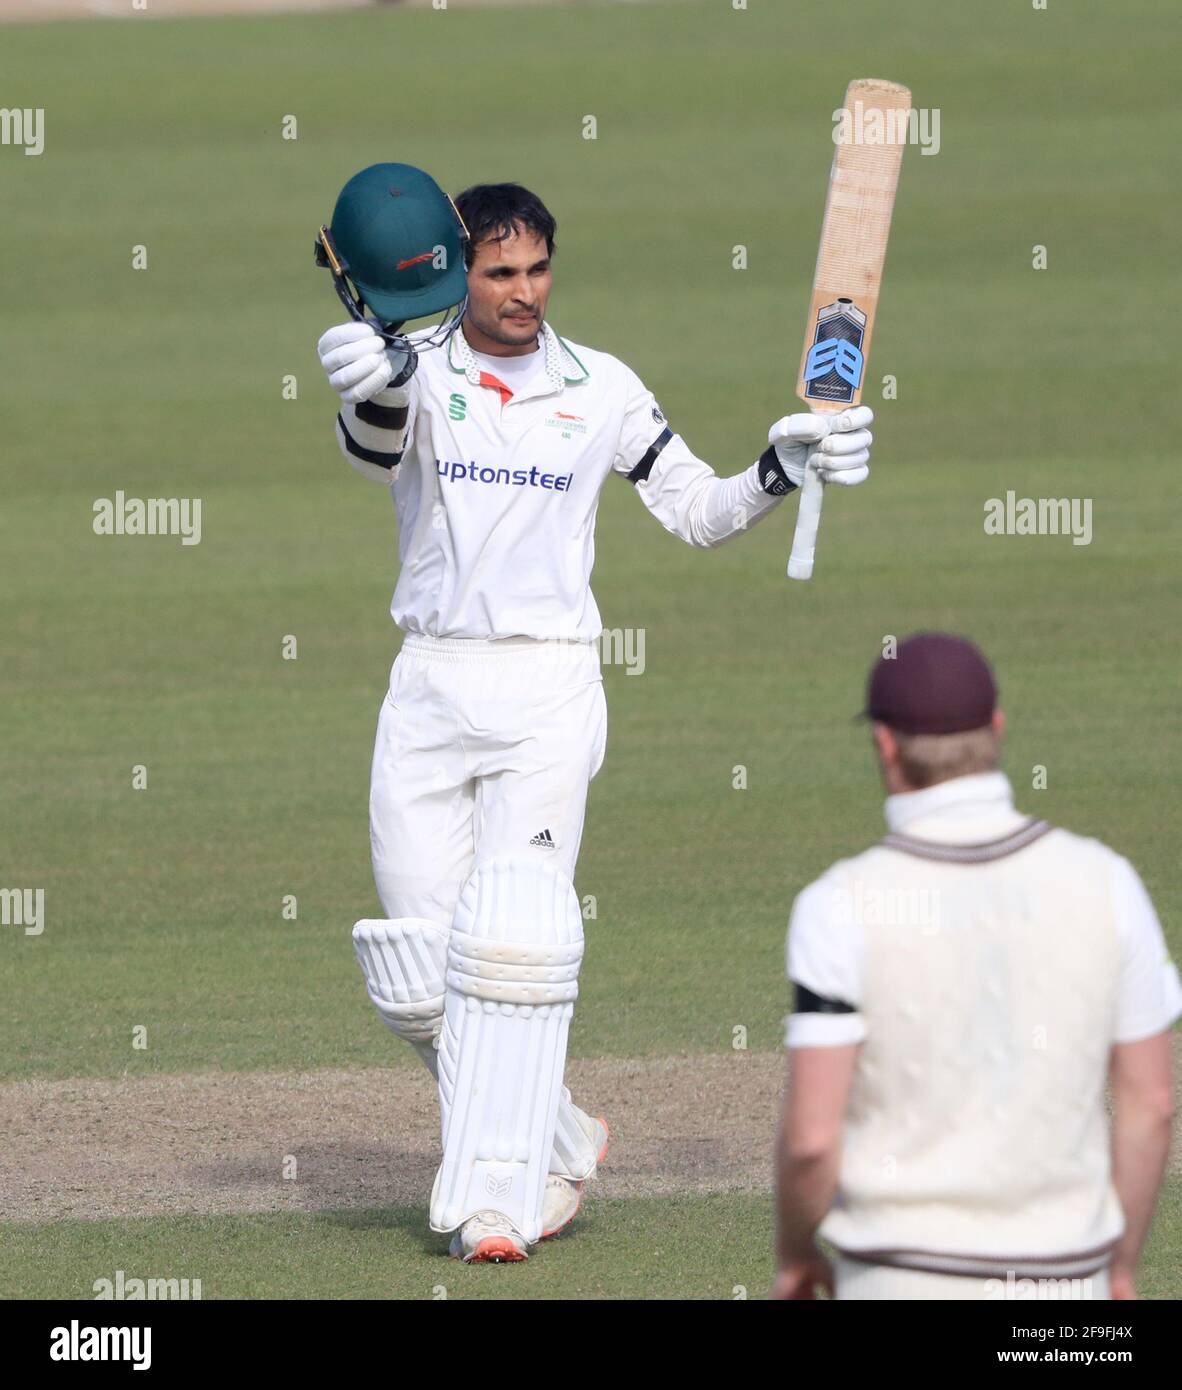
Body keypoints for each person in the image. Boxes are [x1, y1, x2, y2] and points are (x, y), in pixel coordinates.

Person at [316, 163, 874, 1263]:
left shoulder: (602, 385)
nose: (523, 292)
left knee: (512, 951)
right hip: (430, 679)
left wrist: (780, 467)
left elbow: (701, 513)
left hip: (549, 687)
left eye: (536, 269)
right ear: (455, 272)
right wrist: (366, 386)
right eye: (498, 272)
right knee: (419, 977)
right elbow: (373, 445)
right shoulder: (412, 371)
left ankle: (496, 1200)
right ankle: (564, 1128)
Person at [774, 632, 1180, 1299]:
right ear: (996, 727)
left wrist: (794, 1253)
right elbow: (1152, 1105)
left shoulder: (837, 904)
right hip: (1064, 1287)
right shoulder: (1109, 883)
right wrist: (1119, 1266)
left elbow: (813, 1139)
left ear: (883, 743)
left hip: (895, 1279)